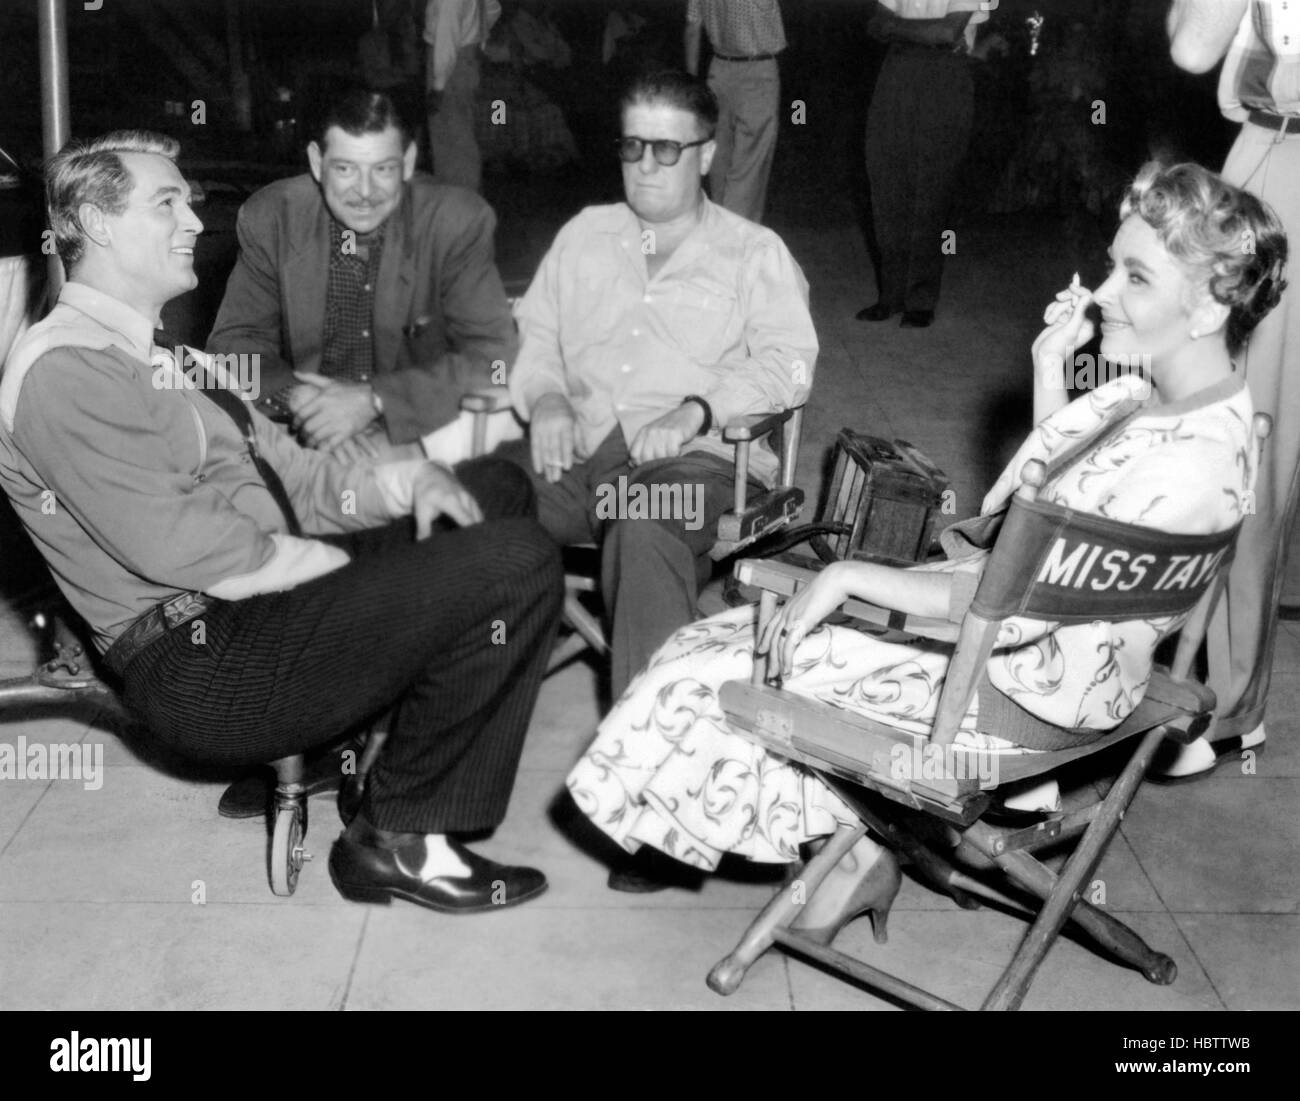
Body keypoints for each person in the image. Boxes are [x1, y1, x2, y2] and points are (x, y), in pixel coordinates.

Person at [568, 162, 1286, 923]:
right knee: (726, 638)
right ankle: (864, 850)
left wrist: (850, 578)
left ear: (1208, 308)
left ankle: (856, 846)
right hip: (1066, 658)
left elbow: (1002, 600)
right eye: (1114, 265)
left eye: (1135, 277)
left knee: (710, 673)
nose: (1103, 295)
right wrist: (1051, 372)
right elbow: (1052, 507)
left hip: (1018, 697)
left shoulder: (1181, 466)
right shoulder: (1193, 411)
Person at [0, 131, 563, 915]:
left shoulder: (169, 357)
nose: (195, 219)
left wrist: (408, 481)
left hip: (255, 607)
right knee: (515, 560)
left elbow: (292, 473)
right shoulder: (65, 370)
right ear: (93, 223)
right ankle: (400, 836)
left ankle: (346, 738)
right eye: (167, 203)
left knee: (490, 490)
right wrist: (355, 577)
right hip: (199, 658)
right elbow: (192, 546)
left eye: (189, 200)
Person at [500, 69, 817, 704]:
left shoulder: (754, 251)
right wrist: (549, 395)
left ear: (707, 154)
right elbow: (534, 331)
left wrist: (697, 410)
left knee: (641, 523)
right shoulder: (585, 234)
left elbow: (790, 363)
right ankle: (412, 737)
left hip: (697, 466)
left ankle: (651, 761)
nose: (645, 166)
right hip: (578, 454)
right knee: (457, 499)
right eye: (632, 146)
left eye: (667, 149)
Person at [208, 88, 516, 469]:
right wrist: (299, 399)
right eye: (345, 168)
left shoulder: (455, 220)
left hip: (416, 432)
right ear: (317, 163)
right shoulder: (274, 217)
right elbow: (232, 346)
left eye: (383, 169)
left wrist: (373, 400)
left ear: (408, 162)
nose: (365, 192)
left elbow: (496, 358)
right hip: (303, 426)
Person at [1163, 0, 1300, 779]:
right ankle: (1212, 688)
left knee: (1267, 446)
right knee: (1226, 425)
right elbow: (1190, 48)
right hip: (1264, 154)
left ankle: (1230, 697)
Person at [857, 0, 987, 328]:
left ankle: (921, 299)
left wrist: (898, 30)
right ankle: (890, 295)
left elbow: (947, 32)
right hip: (896, 71)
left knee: (933, 186)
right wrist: (922, 33)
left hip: (945, 74)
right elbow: (874, 25)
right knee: (886, 178)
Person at [684, 0, 786, 224]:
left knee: (719, 164)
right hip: (757, 71)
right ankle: (734, 240)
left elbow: (692, 27)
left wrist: (691, 84)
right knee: (748, 168)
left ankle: (720, 229)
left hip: (718, 70)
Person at [425, 0, 501, 190]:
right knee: (461, 133)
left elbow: (446, 38)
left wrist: (438, 86)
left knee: (452, 139)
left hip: (449, 66)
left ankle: (460, 202)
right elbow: (493, 8)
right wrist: (476, 37)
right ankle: (465, 200)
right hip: (466, 58)